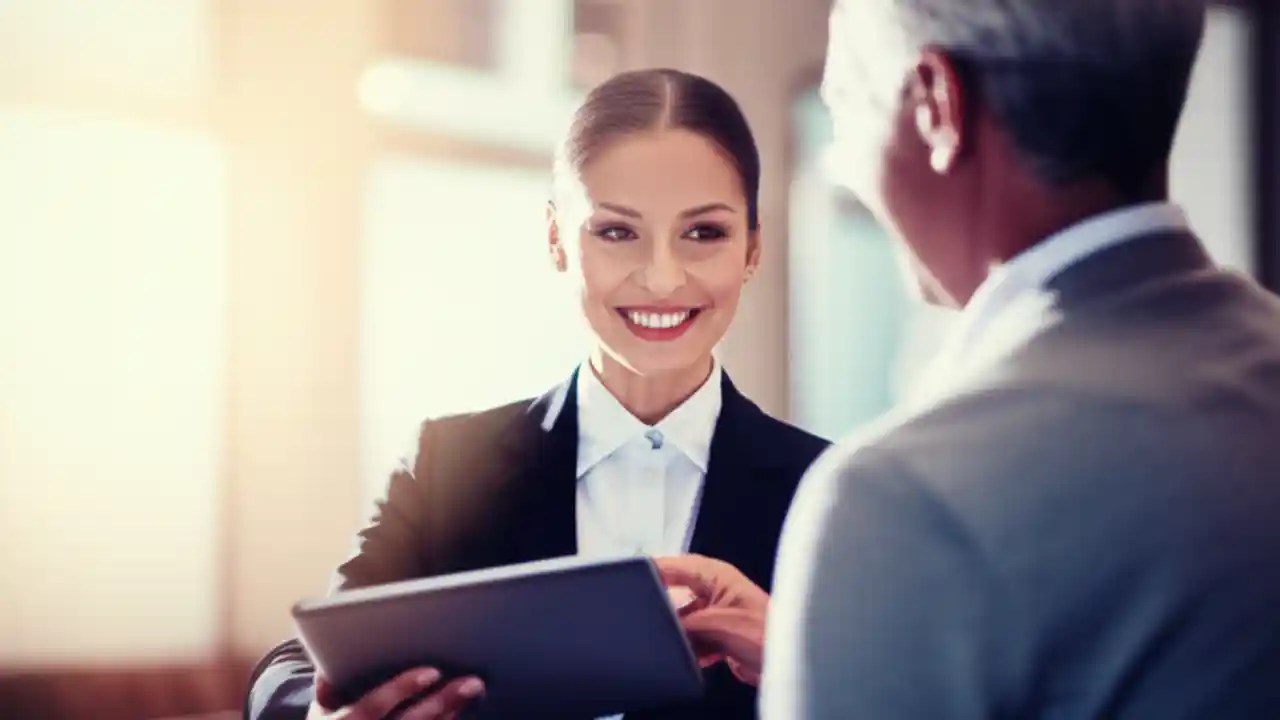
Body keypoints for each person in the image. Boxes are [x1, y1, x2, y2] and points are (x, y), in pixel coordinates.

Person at [661, 0, 1280, 717]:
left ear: (935, 106)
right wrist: (842, 649)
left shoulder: (908, 499)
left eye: (846, 105)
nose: (844, 166)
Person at [243, 68, 829, 720]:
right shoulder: (449, 465)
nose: (663, 278)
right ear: (556, 240)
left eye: (703, 233)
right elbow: (294, 668)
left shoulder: (831, 488)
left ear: (752, 247)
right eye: (616, 231)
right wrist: (319, 714)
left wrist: (807, 661)